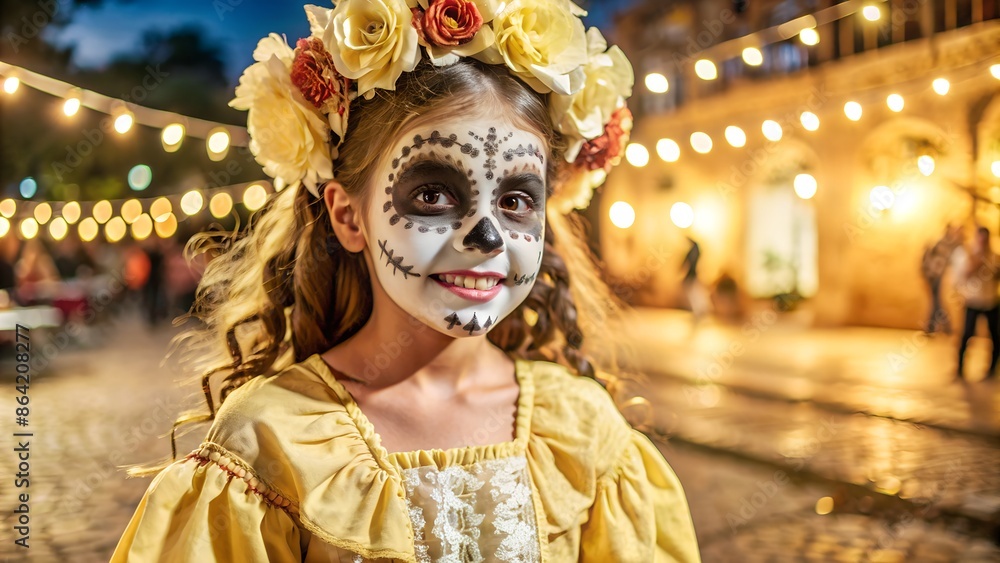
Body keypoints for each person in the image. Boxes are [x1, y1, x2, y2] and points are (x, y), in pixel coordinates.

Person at [112, 1, 700, 561]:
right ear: (348, 216)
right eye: (433, 194)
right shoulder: (269, 444)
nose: (488, 238)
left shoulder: (584, 431)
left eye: (517, 199)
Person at [954, 226, 1000, 380]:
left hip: (991, 302)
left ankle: (992, 369)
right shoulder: (967, 255)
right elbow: (963, 276)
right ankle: (959, 368)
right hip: (973, 302)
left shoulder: (994, 256)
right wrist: (978, 262)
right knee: (967, 335)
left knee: (995, 337)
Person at [921, 224, 959, 334]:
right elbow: (929, 257)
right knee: (936, 301)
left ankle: (936, 327)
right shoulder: (940, 243)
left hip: (936, 274)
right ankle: (945, 326)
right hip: (933, 274)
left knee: (936, 301)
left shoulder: (948, 243)